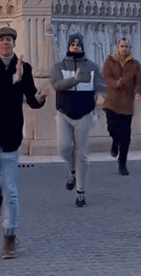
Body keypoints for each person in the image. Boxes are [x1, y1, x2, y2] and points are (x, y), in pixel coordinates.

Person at [0, 27, 49, 259]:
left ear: (14, 44)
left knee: (12, 192)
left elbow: (30, 98)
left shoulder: (24, 68)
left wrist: (40, 99)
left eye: (9, 40)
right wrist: (13, 80)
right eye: (2, 40)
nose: (6, 43)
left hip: (10, 135)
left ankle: (9, 237)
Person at [50, 32, 105, 207]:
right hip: (64, 113)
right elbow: (57, 85)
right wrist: (74, 80)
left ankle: (80, 191)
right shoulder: (59, 66)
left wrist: (101, 96)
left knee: (82, 154)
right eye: (72, 44)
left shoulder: (92, 66)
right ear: (68, 47)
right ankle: (72, 171)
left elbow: (100, 85)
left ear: (82, 47)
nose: (75, 47)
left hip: (84, 114)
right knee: (64, 147)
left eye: (78, 44)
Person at [102, 38, 141, 176]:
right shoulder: (110, 61)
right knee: (112, 128)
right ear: (117, 48)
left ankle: (122, 163)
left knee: (125, 136)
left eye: (126, 46)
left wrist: (138, 93)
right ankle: (114, 142)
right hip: (111, 102)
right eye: (122, 46)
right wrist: (116, 83)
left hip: (127, 104)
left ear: (129, 48)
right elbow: (105, 78)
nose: (124, 48)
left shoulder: (135, 64)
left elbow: (139, 82)